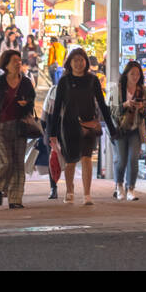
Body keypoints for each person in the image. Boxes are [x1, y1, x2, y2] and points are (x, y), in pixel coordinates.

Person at [47, 46, 116, 206]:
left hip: (89, 125)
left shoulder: (93, 80)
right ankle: (69, 191)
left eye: (81, 60)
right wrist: (53, 132)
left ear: (86, 62)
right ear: (69, 63)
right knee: (71, 160)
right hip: (69, 126)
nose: (78, 63)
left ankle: (87, 194)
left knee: (86, 158)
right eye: (75, 60)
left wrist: (111, 129)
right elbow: (57, 107)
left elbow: (102, 104)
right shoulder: (64, 81)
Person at [0, 50, 38, 208]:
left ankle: (15, 199)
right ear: (6, 64)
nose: (18, 63)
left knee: (19, 163)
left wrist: (27, 105)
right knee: (7, 162)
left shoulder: (25, 82)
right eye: (14, 61)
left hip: (20, 125)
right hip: (3, 126)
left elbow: (32, 99)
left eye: (19, 60)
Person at [112, 60, 146, 201]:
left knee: (133, 159)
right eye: (132, 73)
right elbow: (112, 111)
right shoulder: (117, 89)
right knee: (121, 160)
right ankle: (119, 186)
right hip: (120, 129)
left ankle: (131, 189)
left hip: (136, 128)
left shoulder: (144, 90)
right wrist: (125, 104)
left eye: (138, 74)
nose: (135, 76)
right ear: (126, 74)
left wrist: (141, 108)